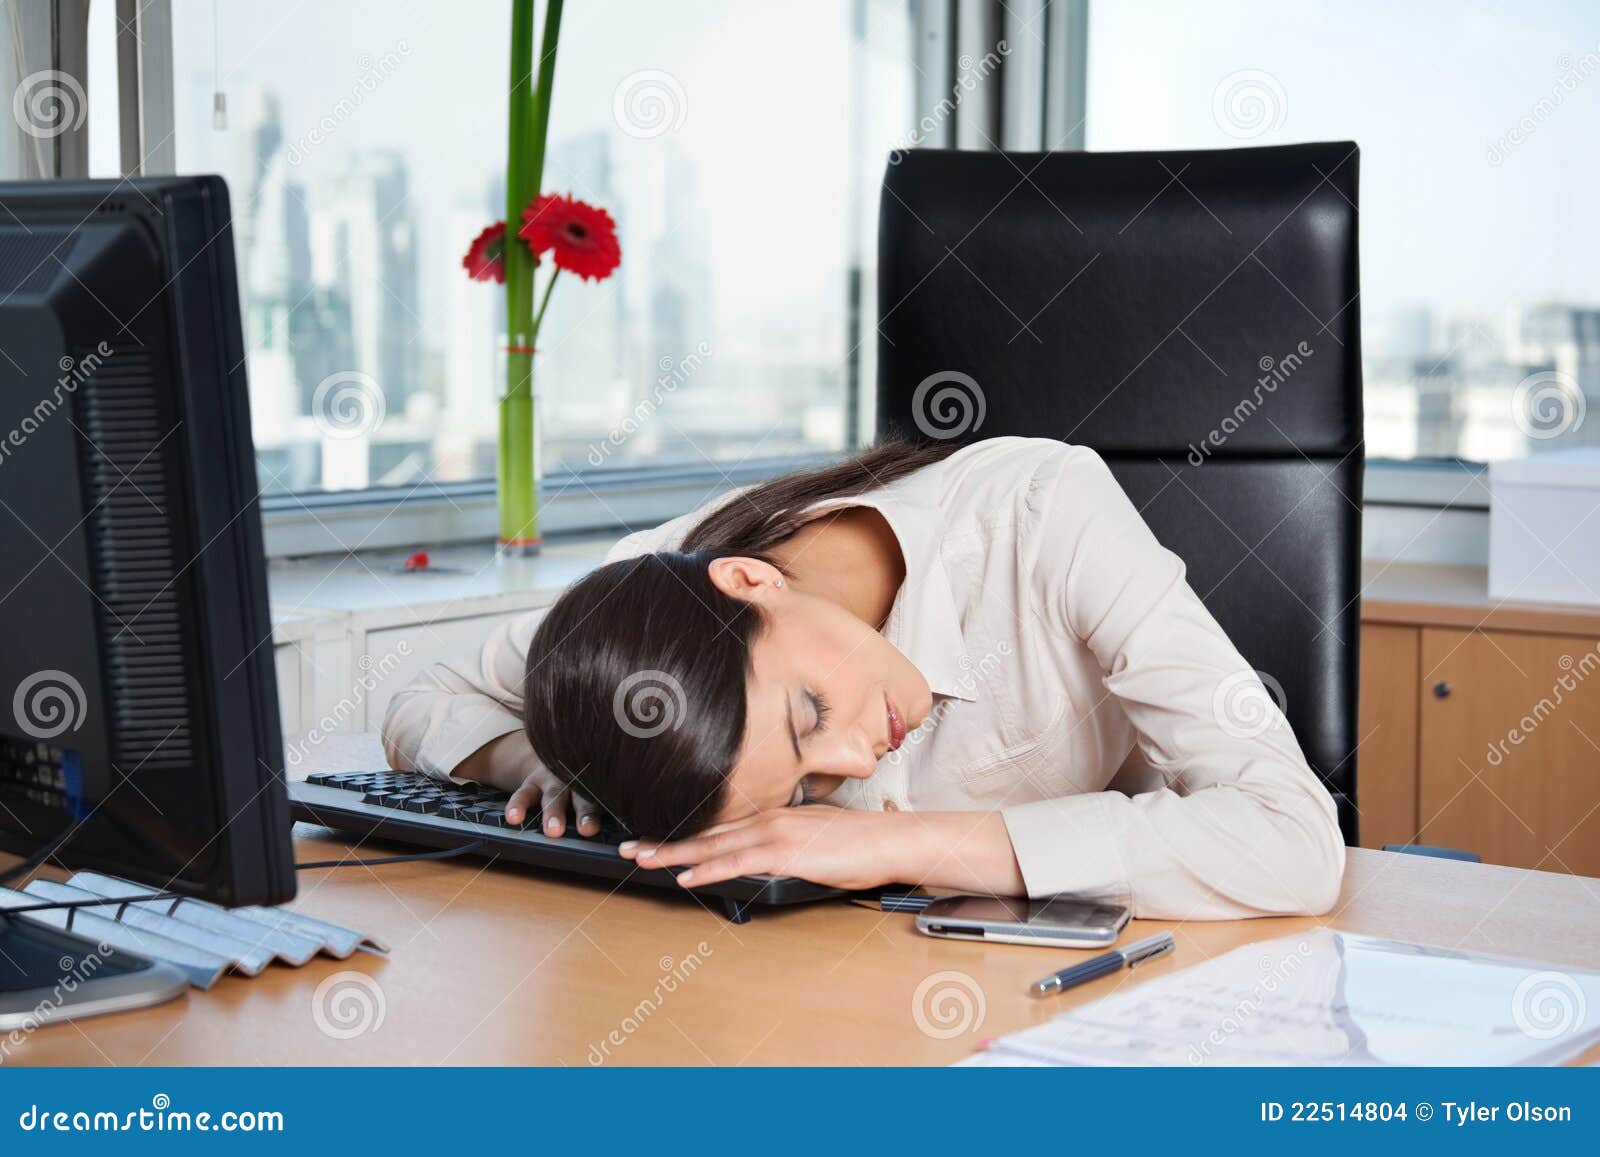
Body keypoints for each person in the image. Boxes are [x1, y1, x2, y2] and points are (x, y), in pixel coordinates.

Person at [381, 436, 1345, 919]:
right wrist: (539, 760)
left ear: (751, 580)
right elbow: (423, 696)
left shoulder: (1047, 513)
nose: (850, 759)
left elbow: (1297, 839)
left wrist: (906, 846)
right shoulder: (644, 619)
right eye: (803, 790)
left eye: (809, 712)